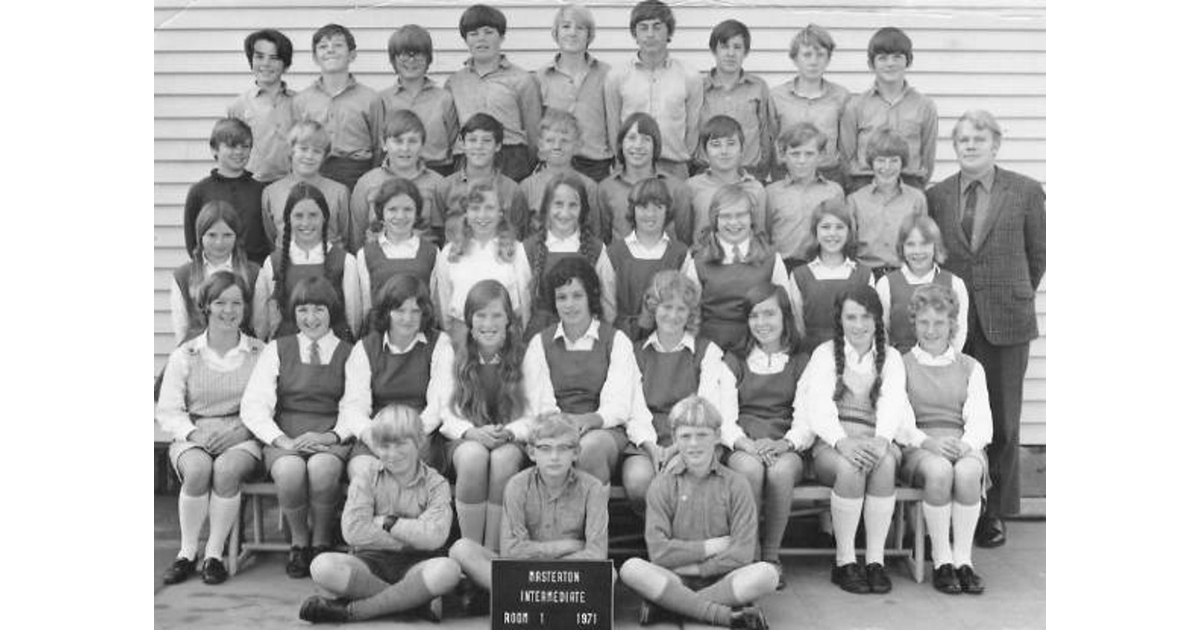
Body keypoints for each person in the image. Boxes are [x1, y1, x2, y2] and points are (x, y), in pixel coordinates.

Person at [925, 109, 1045, 548]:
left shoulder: (1026, 192)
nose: (971, 146)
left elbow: (1038, 256)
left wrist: (1011, 294)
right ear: (954, 148)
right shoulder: (937, 195)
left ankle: (994, 512)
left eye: (979, 139)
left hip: (1006, 319)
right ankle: (958, 499)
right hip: (955, 320)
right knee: (954, 412)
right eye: (963, 140)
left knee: (1003, 419)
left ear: (996, 144)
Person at [619, 396, 776, 629]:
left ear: (716, 436)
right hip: (675, 577)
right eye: (685, 436)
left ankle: (670, 606)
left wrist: (697, 568)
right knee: (631, 568)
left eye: (702, 435)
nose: (694, 444)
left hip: (725, 578)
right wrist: (713, 546)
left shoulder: (736, 484)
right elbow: (659, 554)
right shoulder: (662, 485)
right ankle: (724, 615)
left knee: (767, 574)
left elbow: (742, 553)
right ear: (674, 439)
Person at [300, 407, 460, 623]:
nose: (392, 453)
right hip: (369, 562)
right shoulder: (365, 478)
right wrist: (411, 536)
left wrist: (386, 523)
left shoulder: (436, 483)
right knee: (321, 566)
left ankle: (356, 611)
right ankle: (414, 603)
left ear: (420, 442)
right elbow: (353, 532)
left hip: (418, 565)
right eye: (385, 445)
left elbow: (435, 536)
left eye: (401, 443)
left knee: (447, 570)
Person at [241, 276, 356, 578]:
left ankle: (320, 540)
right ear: (294, 313)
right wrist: (283, 441)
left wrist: (330, 436)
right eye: (303, 310)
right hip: (286, 436)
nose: (311, 318)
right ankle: (298, 543)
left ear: (332, 311)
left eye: (319, 309)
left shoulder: (349, 352)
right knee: (290, 471)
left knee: (322, 470)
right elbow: (254, 406)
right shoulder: (277, 349)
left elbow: (355, 405)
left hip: (329, 436)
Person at [158, 272, 265, 586]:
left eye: (236, 303)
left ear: (245, 308)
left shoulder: (260, 352)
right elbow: (168, 410)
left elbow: (266, 406)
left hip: (244, 432)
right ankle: (187, 552)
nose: (228, 310)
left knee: (226, 471)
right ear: (206, 306)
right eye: (220, 302)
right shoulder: (186, 354)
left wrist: (241, 432)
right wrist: (195, 434)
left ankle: (214, 554)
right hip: (194, 431)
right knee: (198, 469)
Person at [798, 284, 906, 594]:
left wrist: (881, 440)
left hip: (875, 440)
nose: (859, 325)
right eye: (851, 317)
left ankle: (875, 561)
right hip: (834, 443)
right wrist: (843, 442)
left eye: (866, 317)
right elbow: (817, 406)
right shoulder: (825, 354)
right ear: (840, 320)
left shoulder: (891, 358)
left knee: (884, 465)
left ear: (877, 320)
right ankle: (845, 559)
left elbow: (893, 403)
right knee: (851, 468)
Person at [448, 413, 610, 616]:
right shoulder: (517, 485)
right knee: (461, 549)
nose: (554, 457)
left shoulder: (592, 488)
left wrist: (553, 568)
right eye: (545, 448)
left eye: (563, 448)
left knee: (609, 575)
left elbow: (596, 554)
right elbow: (511, 551)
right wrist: (567, 546)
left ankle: (523, 600)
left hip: (569, 573)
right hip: (524, 571)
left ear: (576, 453)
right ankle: (548, 604)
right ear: (532, 452)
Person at [424, 280, 534, 553]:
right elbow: (443, 410)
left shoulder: (527, 355)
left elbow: (536, 411)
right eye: (481, 315)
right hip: (462, 439)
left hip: (510, 438)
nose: (488, 323)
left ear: (509, 319)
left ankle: (493, 552)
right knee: (474, 455)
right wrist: (469, 432)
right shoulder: (451, 353)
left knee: (503, 458)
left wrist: (509, 432)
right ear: (469, 320)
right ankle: (471, 552)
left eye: (497, 315)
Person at [896, 283, 991, 595]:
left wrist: (964, 446)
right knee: (939, 470)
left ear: (952, 323)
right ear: (914, 323)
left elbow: (980, 422)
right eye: (924, 322)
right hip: (921, 445)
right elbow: (900, 419)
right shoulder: (902, 364)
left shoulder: (969, 366)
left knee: (966, 471)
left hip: (963, 443)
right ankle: (941, 560)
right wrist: (928, 443)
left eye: (939, 322)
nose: (931, 330)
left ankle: (964, 559)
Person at [524, 257, 651, 489]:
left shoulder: (615, 340)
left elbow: (619, 403)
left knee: (589, 448)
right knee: (556, 449)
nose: (569, 304)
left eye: (577, 296)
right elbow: (538, 400)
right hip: (554, 427)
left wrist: (591, 420)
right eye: (562, 297)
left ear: (590, 296)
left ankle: (595, 523)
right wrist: (562, 426)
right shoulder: (540, 343)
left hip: (603, 430)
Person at [716, 283, 811, 587]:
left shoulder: (800, 360)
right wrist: (747, 444)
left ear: (785, 316)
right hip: (745, 443)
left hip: (787, 445)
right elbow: (724, 419)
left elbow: (807, 418)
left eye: (769, 314)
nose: (762, 323)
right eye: (754, 315)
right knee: (749, 470)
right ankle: (748, 555)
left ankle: (770, 556)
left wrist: (783, 444)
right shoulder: (735, 360)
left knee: (781, 472)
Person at [621, 270, 723, 515]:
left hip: (692, 437)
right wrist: (652, 446)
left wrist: (679, 447)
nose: (673, 316)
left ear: (690, 314)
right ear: (654, 308)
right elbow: (633, 409)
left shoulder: (706, 351)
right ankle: (656, 541)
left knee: (684, 479)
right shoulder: (635, 352)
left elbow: (706, 407)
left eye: (681, 309)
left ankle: (684, 546)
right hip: (646, 441)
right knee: (638, 482)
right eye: (666, 307)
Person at [340, 274, 449, 480]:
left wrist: (408, 439)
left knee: (408, 468)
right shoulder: (365, 348)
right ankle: (378, 514)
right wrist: (375, 439)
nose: (408, 319)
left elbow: (439, 404)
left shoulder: (440, 344)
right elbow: (354, 406)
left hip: (421, 434)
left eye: (415, 311)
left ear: (424, 313)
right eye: (400, 310)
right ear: (387, 311)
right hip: (377, 434)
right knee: (364, 471)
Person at [682, 184, 799, 351]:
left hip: (758, 346)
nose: (734, 222)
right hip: (712, 348)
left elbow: (785, 310)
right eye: (726, 216)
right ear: (715, 219)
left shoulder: (771, 259)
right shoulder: (699, 262)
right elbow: (691, 312)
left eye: (740, 215)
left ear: (751, 217)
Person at [604, 0, 702, 180]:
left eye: (657, 27)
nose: (650, 34)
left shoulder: (689, 76)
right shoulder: (617, 76)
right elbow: (614, 126)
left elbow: (693, 128)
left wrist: (681, 157)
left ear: (669, 32)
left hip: (674, 169)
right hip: (631, 168)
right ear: (635, 33)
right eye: (643, 28)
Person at [445, 4, 542, 182]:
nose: (481, 39)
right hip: (468, 159)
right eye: (474, 34)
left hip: (510, 158)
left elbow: (534, 130)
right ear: (466, 40)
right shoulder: (454, 82)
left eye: (488, 32)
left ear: (502, 37)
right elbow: (451, 133)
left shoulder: (521, 79)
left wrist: (527, 165)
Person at [253, 182, 361, 341]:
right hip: (289, 348)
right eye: (298, 216)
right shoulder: (273, 262)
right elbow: (267, 317)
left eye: (313, 215)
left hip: (333, 347)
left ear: (324, 217)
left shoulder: (345, 261)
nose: (306, 223)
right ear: (288, 219)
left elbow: (353, 317)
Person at [431, 180, 533, 342]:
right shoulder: (450, 253)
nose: (482, 215)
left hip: (505, 338)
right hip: (462, 337)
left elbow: (525, 302)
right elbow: (443, 302)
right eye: (475, 209)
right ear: (466, 213)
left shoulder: (516, 251)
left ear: (500, 212)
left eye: (489, 208)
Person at [840, 27, 937, 193]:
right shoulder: (855, 106)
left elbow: (927, 157)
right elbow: (846, 157)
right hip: (865, 186)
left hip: (909, 186)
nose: (890, 64)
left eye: (897, 57)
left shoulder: (924, 106)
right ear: (871, 64)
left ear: (909, 61)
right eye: (882, 58)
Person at [523, 172, 616, 335]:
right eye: (558, 204)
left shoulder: (597, 249)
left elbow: (608, 307)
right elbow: (523, 308)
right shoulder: (528, 249)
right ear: (546, 207)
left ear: (583, 209)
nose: (565, 213)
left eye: (573, 205)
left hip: (585, 337)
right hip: (540, 338)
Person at [291, 24, 379, 192]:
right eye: (323, 46)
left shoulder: (370, 99)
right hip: (315, 172)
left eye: (338, 45)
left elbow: (378, 145)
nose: (330, 50)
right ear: (316, 57)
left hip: (358, 174)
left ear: (352, 55)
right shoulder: (301, 101)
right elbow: (295, 146)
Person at [349, 110, 445, 253]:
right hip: (377, 264)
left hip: (424, 266)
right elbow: (357, 234)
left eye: (412, 141)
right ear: (384, 144)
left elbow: (443, 235)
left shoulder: (438, 184)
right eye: (398, 141)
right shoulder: (367, 183)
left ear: (422, 145)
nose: (405, 148)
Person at [535, 4, 613, 183]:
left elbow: (614, 120)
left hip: (596, 164)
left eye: (580, 28)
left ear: (589, 35)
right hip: (555, 162)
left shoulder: (606, 74)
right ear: (556, 33)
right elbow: (535, 125)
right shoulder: (541, 77)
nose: (572, 33)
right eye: (566, 26)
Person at [607, 178, 691, 339]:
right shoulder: (614, 253)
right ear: (633, 210)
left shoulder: (680, 254)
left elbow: (687, 302)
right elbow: (608, 306)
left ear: (667, 210)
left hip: (668, 336)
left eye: (658, 207)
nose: (650, 214)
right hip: (624, 336)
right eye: (643, 207)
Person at [370, 24, 458, 177]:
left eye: (418, 54)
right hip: (395, 173)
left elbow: (453, 142)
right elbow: (378, 146)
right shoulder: (383, 99)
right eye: (404, 54)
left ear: (428, 58)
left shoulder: (444, 98)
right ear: (393, 59)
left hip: (437, 171)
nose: (411, 60)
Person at [769, 24, 850, 187]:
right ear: (795, 58)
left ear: (828, 59)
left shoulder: (841, 96)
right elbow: (770, 141)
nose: (813, 61)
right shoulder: (776, 96)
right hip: (786, 176)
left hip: (829, 176)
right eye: (807, 55)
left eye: (820, 55)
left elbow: (846, 147)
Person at [432, 113, 532, 243]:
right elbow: (437, 233)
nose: (479, 146)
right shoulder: (445, 187)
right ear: (462, 144)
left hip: (499, 259)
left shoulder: (513, 190)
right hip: (456, 259)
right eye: (472, 140)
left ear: (498, 146)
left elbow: (520, 234)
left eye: (486, 141)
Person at [182, 117, 271, 264]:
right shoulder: (199, 191)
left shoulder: (262, 191)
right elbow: (193, 242)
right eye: (231, 146)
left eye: (245, 146)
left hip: (255, 272)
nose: (239, 152)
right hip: (214, 274)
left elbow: (270, 237)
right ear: (214, 149)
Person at [876, 214, 968, 354]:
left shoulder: (955, 283)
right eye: (911, 244)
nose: (918, 251)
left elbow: (958, 335)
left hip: (940, 365)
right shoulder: (886, 284)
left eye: (924, 244)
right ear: (902, 247)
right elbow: (882, 332)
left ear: (935, 246)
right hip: (900, 365)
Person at [596, 112, 694, 245]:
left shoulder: (676, 188)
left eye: (646, 139)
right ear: (621, 144)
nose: (638, 145)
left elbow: (684, 239)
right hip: (619, 263)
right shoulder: (606, 188)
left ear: (656, 145)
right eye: (631, 138)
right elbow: (603, 238)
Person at [171, 201, 260, 345]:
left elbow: (259, 324)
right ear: (200, 236)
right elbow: (181, 327)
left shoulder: (253, 273)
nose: (219, 243)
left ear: (236, 236)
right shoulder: (183, 275)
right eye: (212, 235)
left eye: (227, 235)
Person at [790, 199, 873, 353]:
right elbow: (798, 326)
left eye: (839, 227)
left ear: (849, 232)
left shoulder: (864, 275)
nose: (832, 233)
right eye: (826, 227)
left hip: (855, 354)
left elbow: (870, 322)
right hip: (812, 355)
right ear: (815, 231)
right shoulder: (800, 276)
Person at [353, 177, 439, 324]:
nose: (400, 216)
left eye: (408, 209)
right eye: (392, 209)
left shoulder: (432, 252)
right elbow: (366, 305)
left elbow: (435, 302)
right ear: (381, 212)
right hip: (380, 335)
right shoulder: (366, 254)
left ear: (417, 212)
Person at [696, 20, 774, 181]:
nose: (731, 53)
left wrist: (761, 171)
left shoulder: (758, 87)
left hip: (750, 174)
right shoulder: (699, 88)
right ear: (714, 50)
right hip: (707, 176)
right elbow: (691, 133)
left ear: (745, 52)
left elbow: (767, 134)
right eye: (724, 46)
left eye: (737, 47)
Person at [847, 128, 929, 278]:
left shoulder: (917, 199)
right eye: (881, 160)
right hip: (865, 275)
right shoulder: (855, 200)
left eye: (893, 161)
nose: (887, 167)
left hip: (904, 275)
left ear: (902, 163)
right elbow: (849, 245)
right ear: (871, 162)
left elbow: (923, 243)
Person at [765, 122, 845, 269]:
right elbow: (764, 235)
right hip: (782, 267)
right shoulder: (771, 193)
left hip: (822, 267)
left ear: (821, 156)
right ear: (783, 155)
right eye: (795, 154)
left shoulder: (834, 192)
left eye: (809, 154)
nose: (802, 161)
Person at [261, 120, 351, 249]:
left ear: (324, 156)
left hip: (329, 262)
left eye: (317, 151)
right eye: (303, 149)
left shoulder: (339, 192)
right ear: (291, 151)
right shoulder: (271, 192)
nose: (309, 156)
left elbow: (345, 234)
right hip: (285, 263)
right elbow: (271, 235)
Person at [227, 28, 296, 184]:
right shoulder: (239, 105)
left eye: (274, 58)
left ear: (285, 65)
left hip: (290, 185)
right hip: (251, 185)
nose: (266, 63)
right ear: (251, 60)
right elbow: (230, 151)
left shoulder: (300, 103)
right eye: (259, 56)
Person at [518, 109, 602, 236]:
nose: (557, 146)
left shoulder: (589, 187)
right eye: (550, 140)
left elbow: (596, 232)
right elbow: (520, 235)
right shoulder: (527, 187)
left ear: (577, 146)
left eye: (565, 141)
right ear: (540, 145)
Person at [687, 116, 768, 244]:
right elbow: (685, 233)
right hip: (701, 260)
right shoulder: (692, 187)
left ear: (741, 149)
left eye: (731, 144)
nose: (724, 151)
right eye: (716, 145)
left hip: (745, 261)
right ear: (705, 151)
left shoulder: (756, 189)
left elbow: (760, 234)